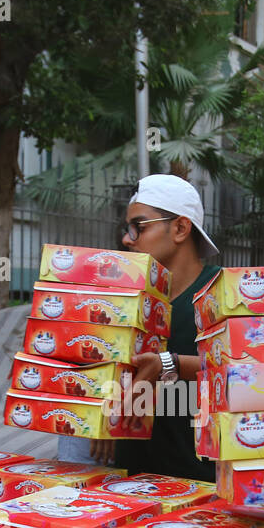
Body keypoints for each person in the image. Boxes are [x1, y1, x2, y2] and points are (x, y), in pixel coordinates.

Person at [93, 174, 219, 481]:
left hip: (201, 490)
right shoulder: (121, 298)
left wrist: (166, 365)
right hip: (128, 487)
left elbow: (250, 373)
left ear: (179, 228)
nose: (127, 238)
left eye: (139, 226)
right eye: (127, 228)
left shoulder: (223, 296)